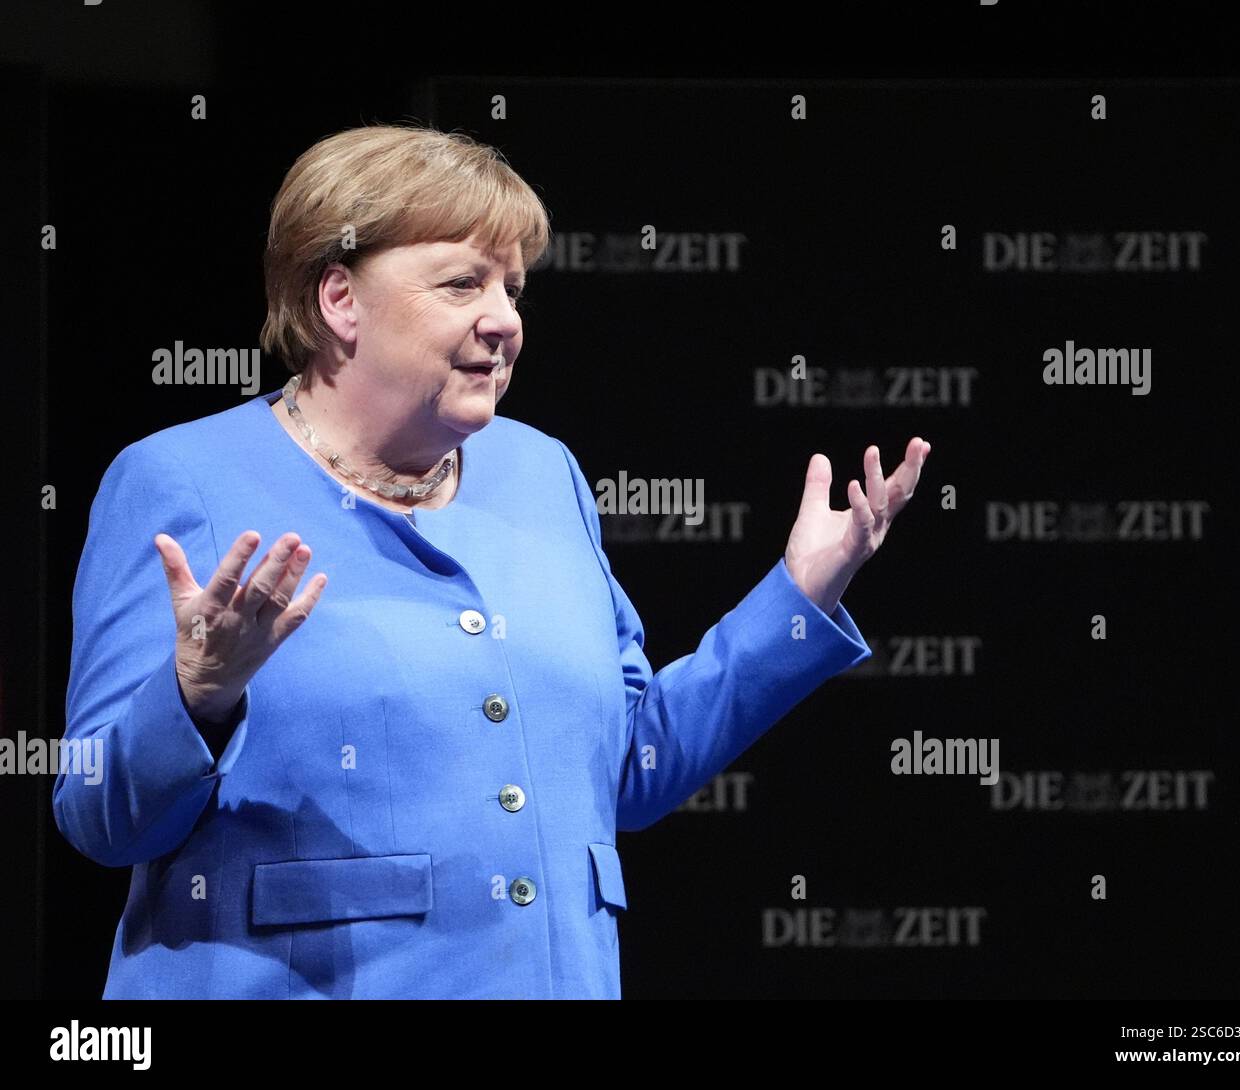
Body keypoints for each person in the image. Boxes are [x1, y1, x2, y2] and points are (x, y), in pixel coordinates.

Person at [54, 124, 931, 999]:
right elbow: (98, 818)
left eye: (513, 288)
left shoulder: (541, 472)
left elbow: (629, 772)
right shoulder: (183, 480)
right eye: (463, 282)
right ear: (339, 300)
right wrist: (196, 698)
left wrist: (798, 598)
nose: (505, 320)